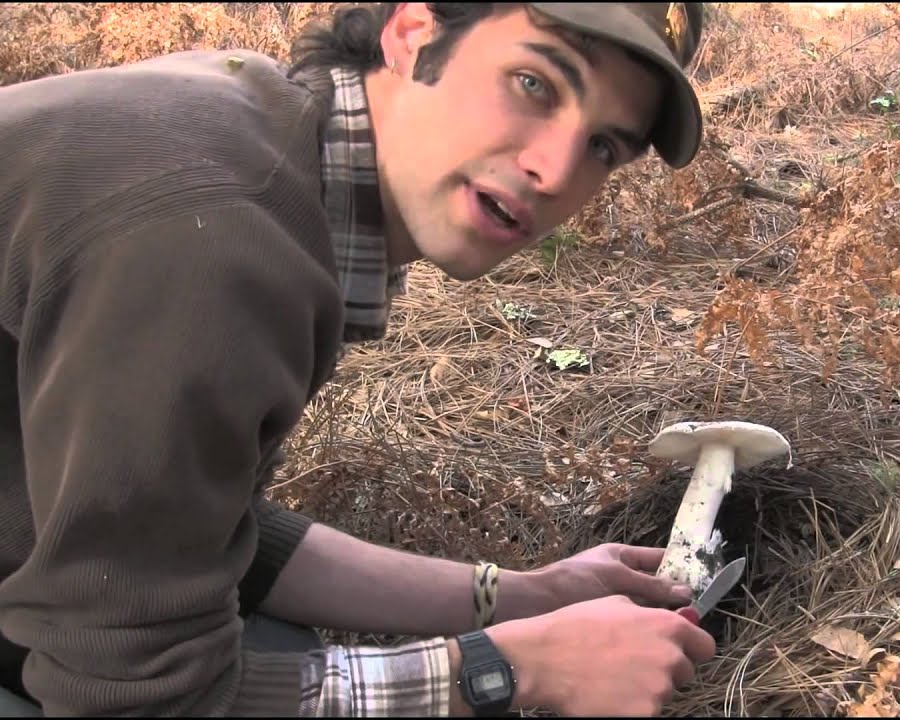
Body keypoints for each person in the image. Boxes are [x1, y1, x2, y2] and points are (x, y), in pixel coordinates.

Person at [0, 2, 717, 716]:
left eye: (603, 147)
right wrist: (509, 669)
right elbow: (130, 697)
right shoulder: (216, 237)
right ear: (414, 34)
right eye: (534, 84)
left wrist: (526, 595)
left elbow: (196, 528)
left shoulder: (277, 137)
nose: (554, 170)